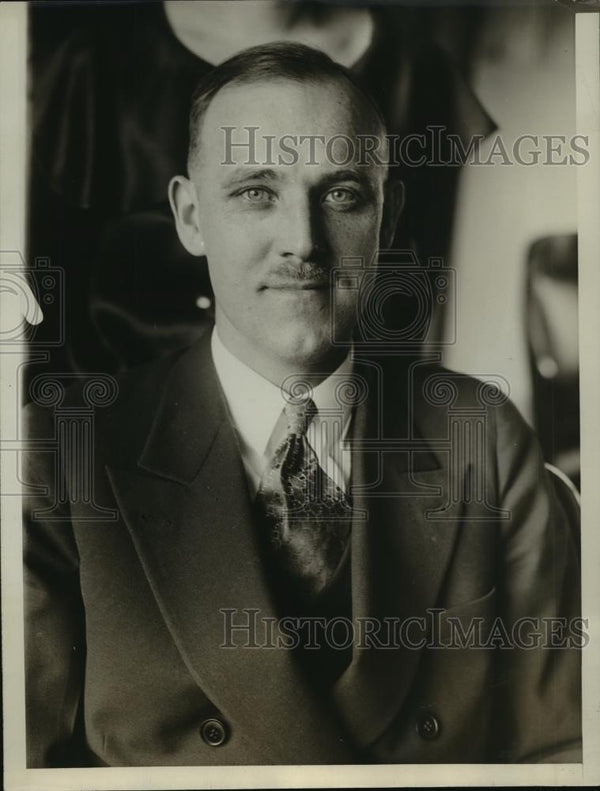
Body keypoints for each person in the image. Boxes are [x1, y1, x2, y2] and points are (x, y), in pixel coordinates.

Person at [23, 43, 581, 767]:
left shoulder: (482, 438)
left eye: (342, 194)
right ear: (191, 217)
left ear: (387, 216)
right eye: (257, 191)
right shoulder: (64, 453)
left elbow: (562, 749)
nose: (304, 242)